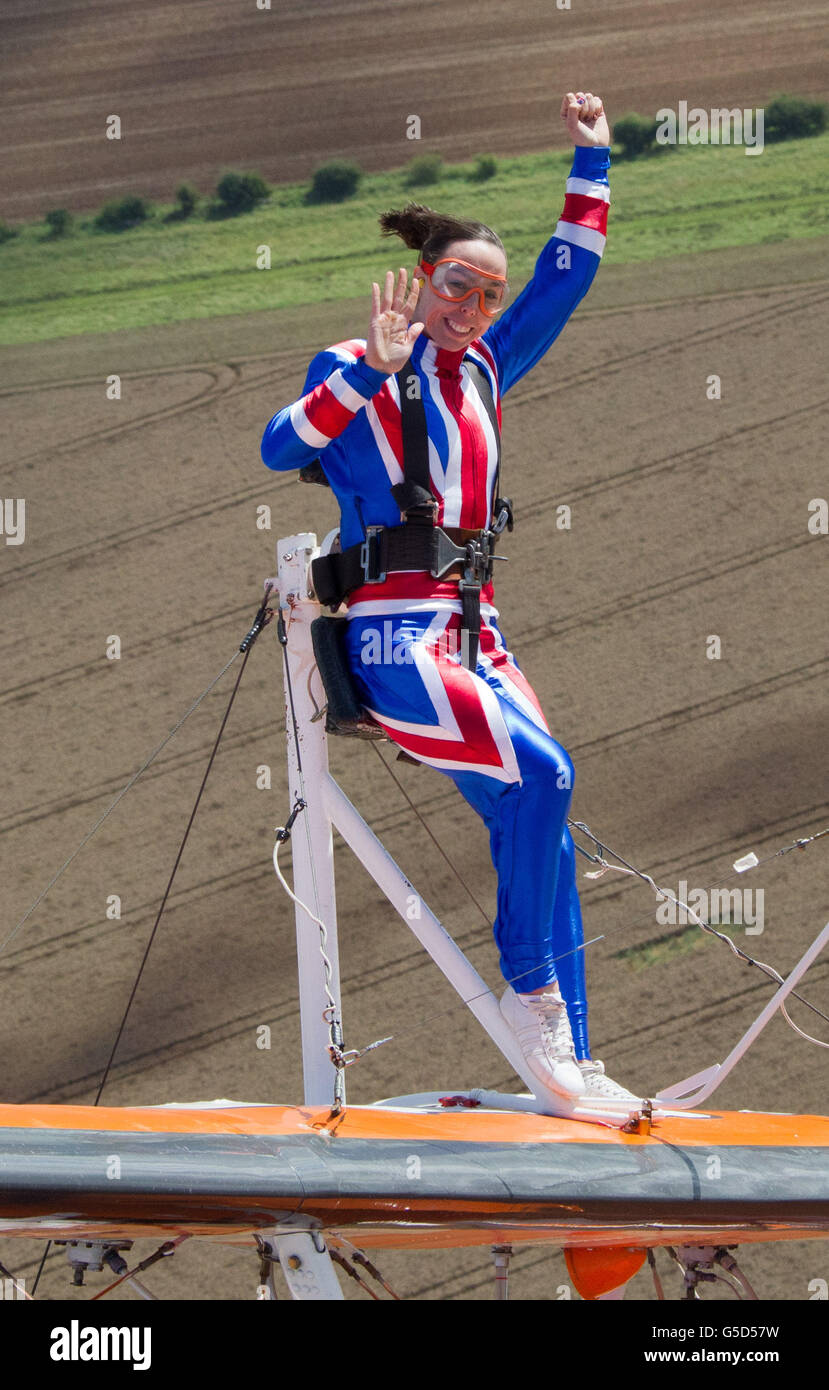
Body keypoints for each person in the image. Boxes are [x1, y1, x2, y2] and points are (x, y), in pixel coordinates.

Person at [262, 91, 637, 1104]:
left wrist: (590, 160)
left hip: (481, 637)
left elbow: (567, 278)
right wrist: (369, 376)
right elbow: (276, 444)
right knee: (545, 777)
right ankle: (533, 1006)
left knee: (543, 827)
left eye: (485, 294)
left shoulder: (485, 369)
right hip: (396, 644)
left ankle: (574, 1067)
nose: (471, 308)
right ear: (421, 282)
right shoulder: (355, 367)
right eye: (457, 287)